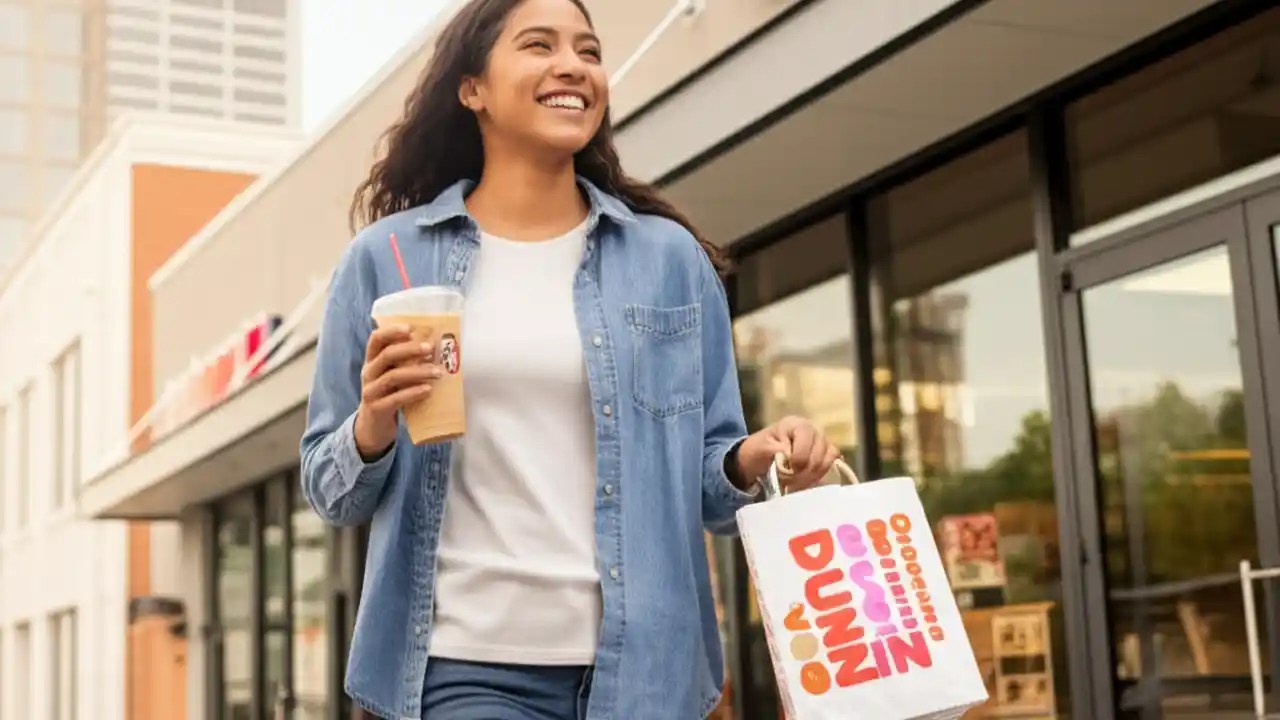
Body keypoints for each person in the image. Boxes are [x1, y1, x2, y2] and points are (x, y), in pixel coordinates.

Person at [299, 0, 841, 717]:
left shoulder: (668, 260)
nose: (572, 66)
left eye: (588, 51)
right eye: (539, 45)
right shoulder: (388, 259)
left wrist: (758, 457)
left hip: (646, 670)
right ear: (473, 89)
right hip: (467, 665)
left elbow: (710, 484)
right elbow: (332, 492)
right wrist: (372, 424)